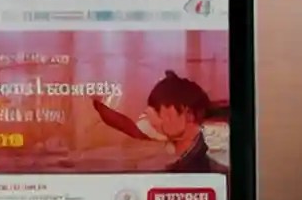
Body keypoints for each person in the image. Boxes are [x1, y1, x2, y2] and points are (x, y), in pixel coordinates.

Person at [92, 70, 229, 173]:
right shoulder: (166, 135)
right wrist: (100, 107)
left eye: (158, 111)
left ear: (188, 114)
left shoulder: (217, 145)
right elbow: (131, 129)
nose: (154, 122)